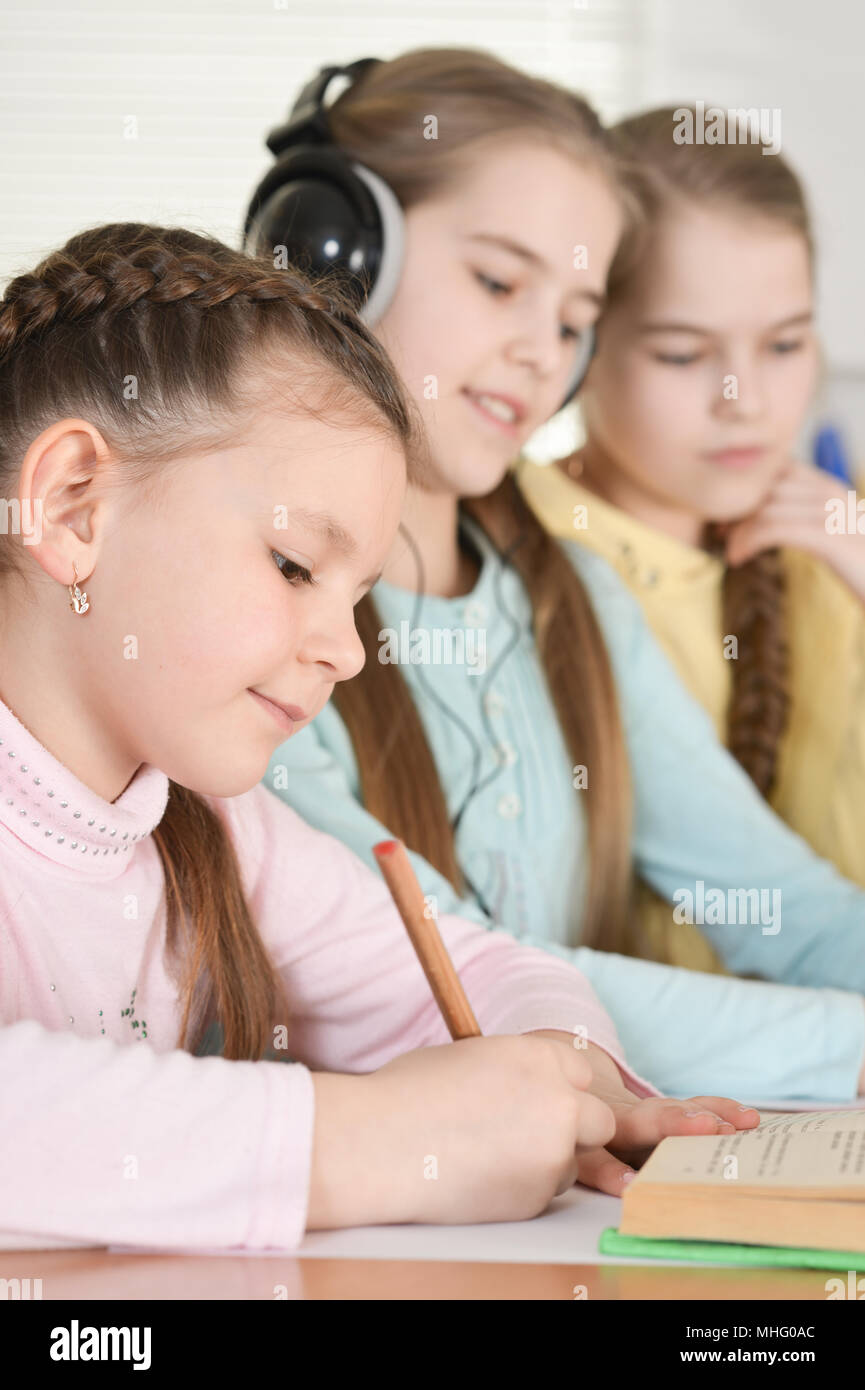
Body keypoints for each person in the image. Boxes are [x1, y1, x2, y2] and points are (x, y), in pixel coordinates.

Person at [1, 223, 758, 1253]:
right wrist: (380, 1138)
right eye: (296, 566)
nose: (347, 654)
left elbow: (476, 969)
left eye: (360, 597)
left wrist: (552, 1068)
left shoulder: (221, 827)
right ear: (73, 504)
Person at [255, 52, 865, 1102]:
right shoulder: (251, 617)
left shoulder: (575, 601)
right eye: (500, 281)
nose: (542, 350)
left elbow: (784, 907)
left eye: (575, 319)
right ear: (332, 249)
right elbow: (466, 979)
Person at [517, 106, 865, 967]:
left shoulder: (830, 541)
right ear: (580, 342)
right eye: (682, 355)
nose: (743, 399)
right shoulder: (508, 547)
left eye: (784, 344)